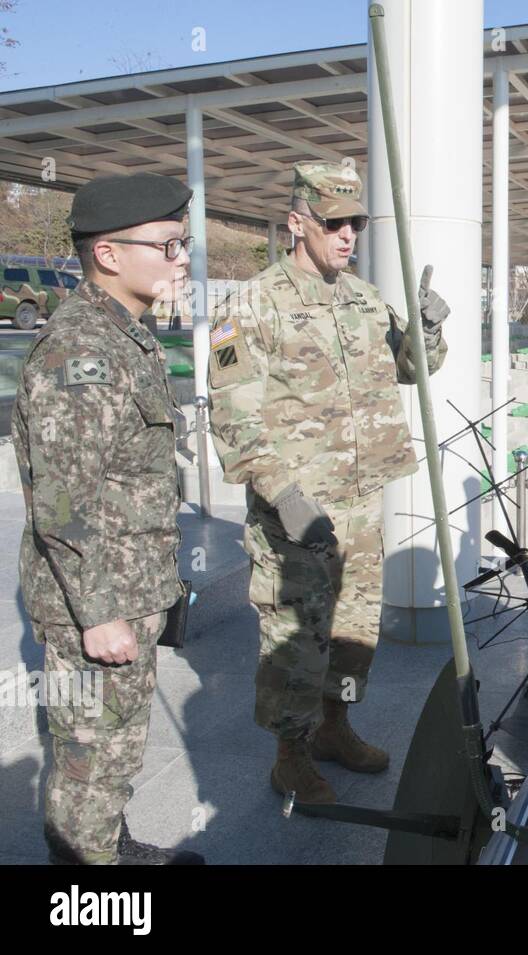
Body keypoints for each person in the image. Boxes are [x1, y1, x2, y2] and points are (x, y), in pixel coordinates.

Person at [207, 161, 448, 805]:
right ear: (297, 222)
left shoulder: (363, 298)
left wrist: (427, 328)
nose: (347, 235)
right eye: (334, 223)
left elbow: (411, 369)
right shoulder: (253, 303)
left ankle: (336, 727)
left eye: (355, 224)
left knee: (354, 629)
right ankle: (290, 754)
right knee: (297, 635)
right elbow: (232, 415)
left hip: (360, 498)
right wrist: (283, 497)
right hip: (297, 509)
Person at [16, 172, 203, 864]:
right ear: (110, 254)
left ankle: (110, 846)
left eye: (182, 244)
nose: (182, 258)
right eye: (169, 245)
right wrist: (100, 613)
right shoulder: (82, 352)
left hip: (130, 585)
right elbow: (61, 502)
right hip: (100, 602)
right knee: (91, 761)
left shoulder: (125, 335)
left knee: (114, 745)